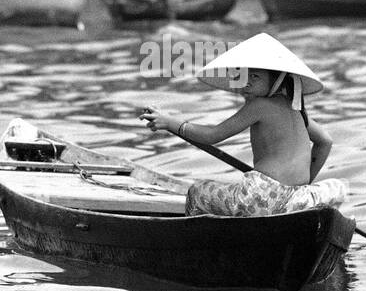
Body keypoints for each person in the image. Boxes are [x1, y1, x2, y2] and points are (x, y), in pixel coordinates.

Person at [140, 33, 348, 217]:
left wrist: (169, 122)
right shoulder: (297, 110)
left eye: (255, 77)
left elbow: (212, 135)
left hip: (261, 197)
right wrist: (304, 182)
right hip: (299, 199)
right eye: (244, 75)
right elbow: (325, 142)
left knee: (197, 191)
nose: (246, 81)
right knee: (333, 187)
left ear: (277, 80)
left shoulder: (260, 105)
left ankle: (197, 240)